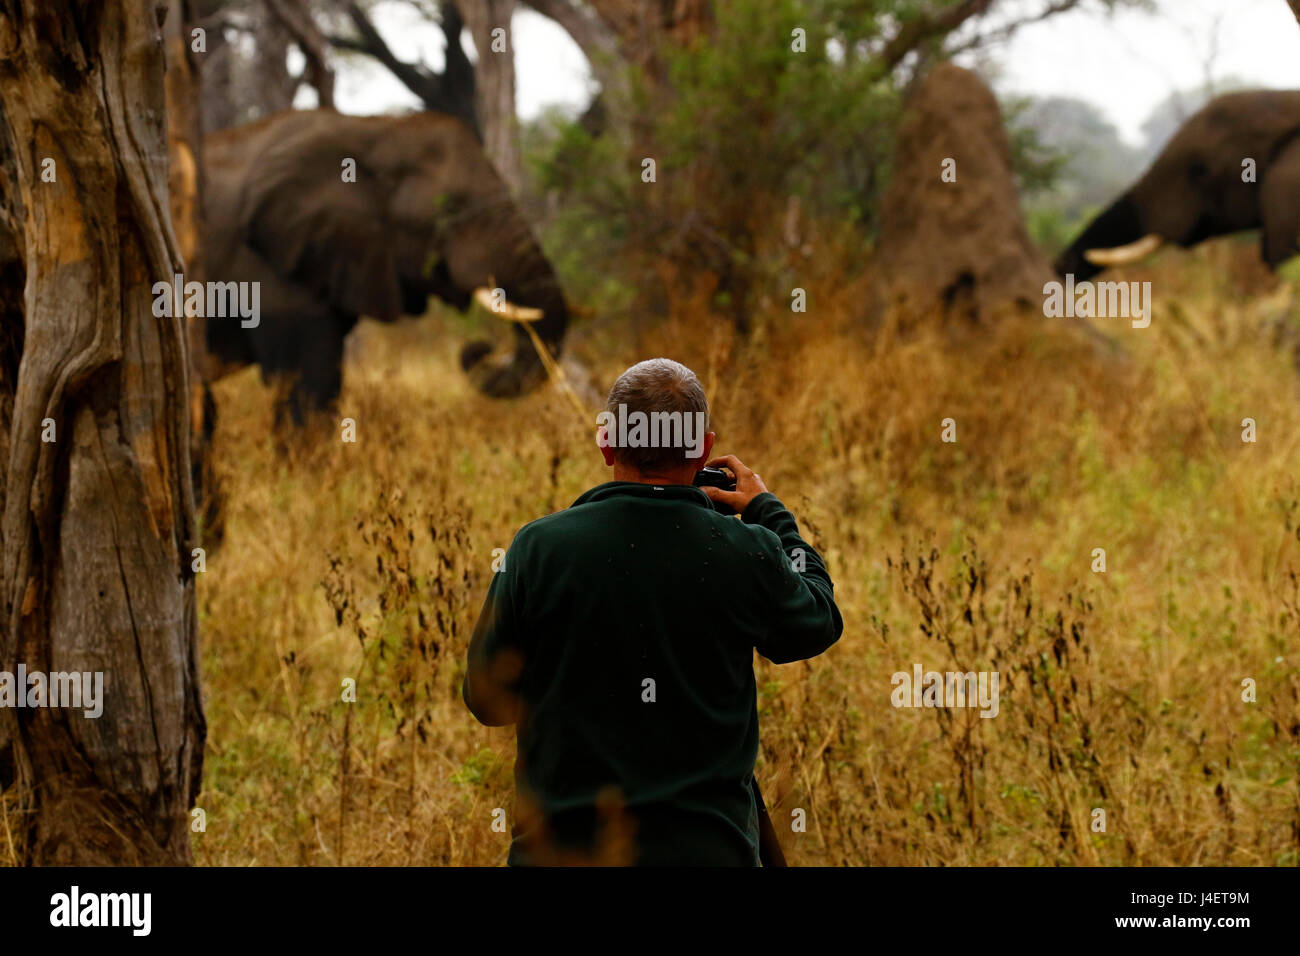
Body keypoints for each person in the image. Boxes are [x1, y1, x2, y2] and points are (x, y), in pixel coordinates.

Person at [463, 357, 842, 865]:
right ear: (704, 449)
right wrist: (767, 511)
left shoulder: (538, 549)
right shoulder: (744, 550)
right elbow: (818, 621)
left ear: (606, 444)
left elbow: (487, 701)